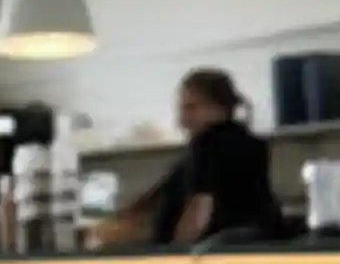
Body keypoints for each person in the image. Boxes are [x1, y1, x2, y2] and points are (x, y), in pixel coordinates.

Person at [99, 68, 283, 246]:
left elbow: (200, 207)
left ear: (219, 108)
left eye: (191, 108)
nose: (182, 120)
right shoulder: (252, 143)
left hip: (216, 251)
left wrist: (177, 255)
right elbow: (164, 189)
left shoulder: (208, 143)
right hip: (256, 248)